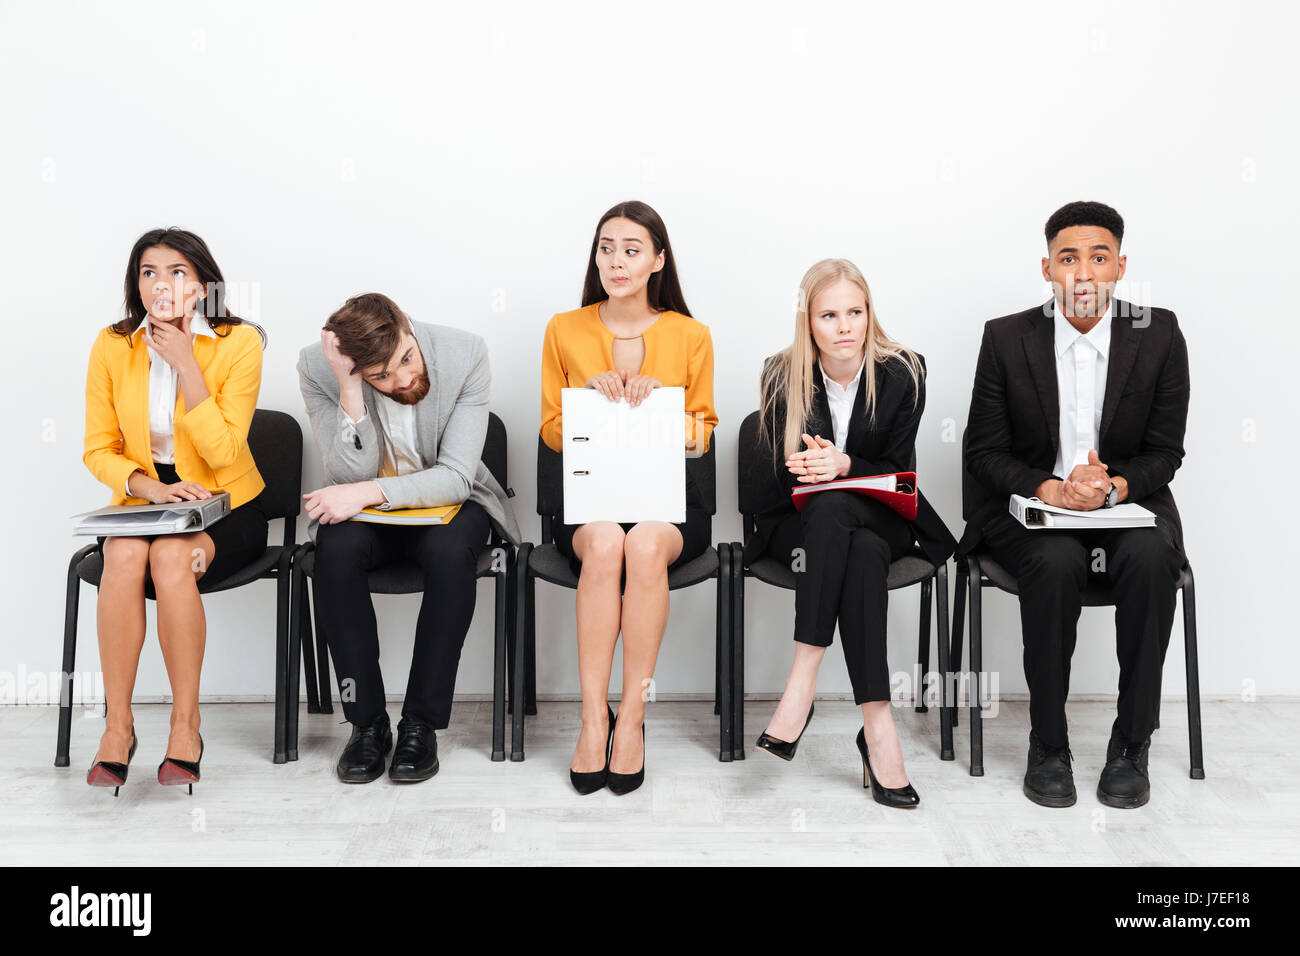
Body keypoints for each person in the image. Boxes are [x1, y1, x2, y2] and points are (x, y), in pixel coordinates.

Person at [960, 200, 1189, 809]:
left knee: (1148, 559)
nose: (1083, 273)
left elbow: (1167, 450)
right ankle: (1049, 744)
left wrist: (1112, 487)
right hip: (1035, 510)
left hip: (1127, 505)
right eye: (1069, 258)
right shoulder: (1007, 337)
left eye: (1098, 257)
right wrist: (1051, 489)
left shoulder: (1158, 331)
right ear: (1046, 269)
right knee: (1055, 561)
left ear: (1119, 267)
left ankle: (1131, 743)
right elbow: (984, 450)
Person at [745, 258, 955, 809]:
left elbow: (897, 474)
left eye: (855, 312)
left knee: (842, 507)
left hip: (884, 510)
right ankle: (877, 728)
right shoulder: (779, 372)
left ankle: (800, 686)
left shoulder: (906, 371)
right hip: (802, 520)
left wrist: (842, 467)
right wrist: (815, 474)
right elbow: (774, 475)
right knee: (854, 546)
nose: (845, 326)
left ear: (869, 313)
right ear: (808, 321)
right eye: (829, 314)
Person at [297, 293, 520, 784]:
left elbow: (457, 477)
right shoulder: (319, 368)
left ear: (407, 328)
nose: (401, 380)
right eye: (380, 376)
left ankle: (421, 722)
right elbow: (342, 470)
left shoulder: (464, 354)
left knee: (447, 553)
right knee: (333, 551)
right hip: (365, 514)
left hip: (451, 505)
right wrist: (351, 391)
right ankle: (366, 724)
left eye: (405, 359)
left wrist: (369, 492)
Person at [82, 227, 268, 795]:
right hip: (146, 499)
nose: (161, 284)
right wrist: (145, 485)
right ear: (134, 284)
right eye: (148, 272)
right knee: (123, 558)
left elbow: (223, 452)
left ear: (204, 284)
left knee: (171, 562)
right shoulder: (113, 344)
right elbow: (98, 448)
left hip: (225, 502)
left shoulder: (239, 343)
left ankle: (186, 724)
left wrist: (187, 363)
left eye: (177, 272)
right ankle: (118, 727)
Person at [540, 200, 717, 795]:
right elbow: (551, 431)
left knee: (641, 545)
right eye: (606, 247)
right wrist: (587, 402)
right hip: (591, 500)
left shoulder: (691, 336)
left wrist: (661, 402)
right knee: (608, 540)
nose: (616, 261)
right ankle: (594, 719)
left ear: (657, 261)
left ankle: (633, 718)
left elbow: (702, 436)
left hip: (667, 505)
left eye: (632, 249)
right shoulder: (564, 329)